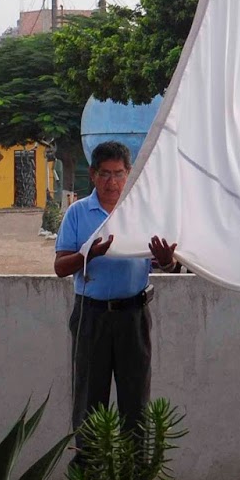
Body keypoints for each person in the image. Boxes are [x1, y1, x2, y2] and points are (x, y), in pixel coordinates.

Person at [54, 141, 177, 437]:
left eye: (119, 174)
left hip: (133, 314)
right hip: (91, 315)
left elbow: (168, 264)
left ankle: (135, 478)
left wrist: (166, 261)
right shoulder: (78, 213)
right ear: (93, 175)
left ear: (130, 174)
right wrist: (89, 254)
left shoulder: (143, 211)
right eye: (105, 174)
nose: (112, 182)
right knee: (88, 401)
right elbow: (60, 267)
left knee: (135, 401)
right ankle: (88, 476)